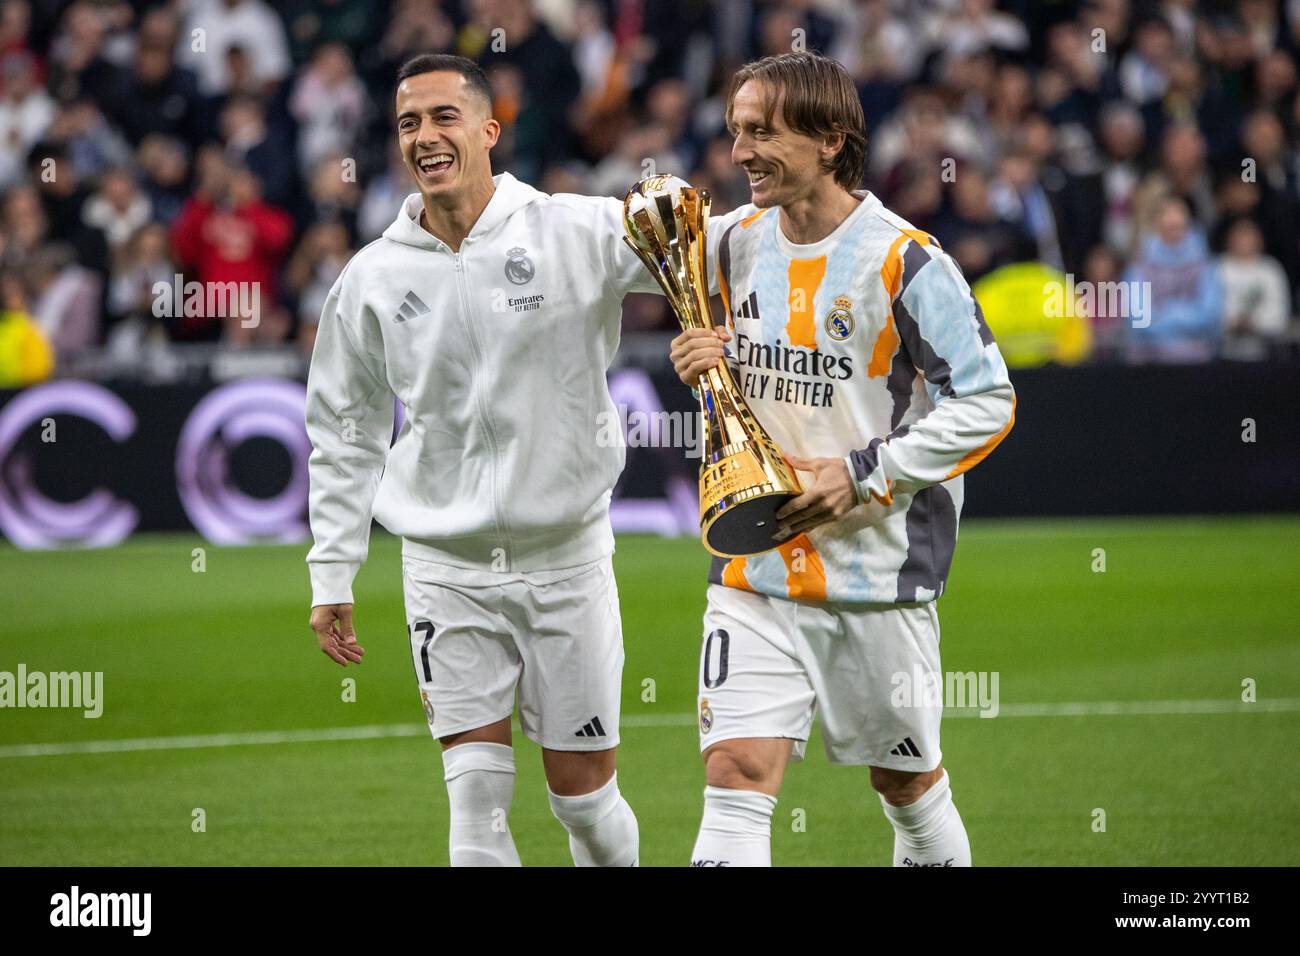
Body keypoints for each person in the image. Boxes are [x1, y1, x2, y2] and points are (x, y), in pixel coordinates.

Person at [304, 53, 659, 867]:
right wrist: (333, 572)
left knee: (584, 801)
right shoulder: (372, 277)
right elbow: (344, 430)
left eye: (442, 117)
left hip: (566, 559)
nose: (424, 137)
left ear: (489, 130)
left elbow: (705, 256)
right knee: (474, 803)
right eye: (407, 124)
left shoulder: (577, 230)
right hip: (446, 565)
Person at [669, 52, 1016, 867]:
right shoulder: (729, 246)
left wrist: (867, 474)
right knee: (736, 771)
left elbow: (989, 400)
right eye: (735, 132)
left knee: (906, 788)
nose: (741, 152)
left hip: (874, 573)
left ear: (831, 141)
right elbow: (744, 386)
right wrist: (702, 365)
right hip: (755, 564)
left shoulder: (907, 262)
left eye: (763, 132)